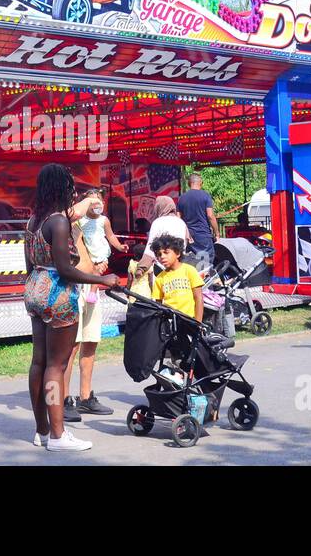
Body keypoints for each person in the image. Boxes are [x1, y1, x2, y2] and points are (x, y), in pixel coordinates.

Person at [23, 164, 119, 451]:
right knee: (56, 364)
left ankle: (41, 431)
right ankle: (58, 435)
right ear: (61, 188)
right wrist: (102, 279)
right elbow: (65, 270)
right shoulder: (59, 222)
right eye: (70, 186)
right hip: (58, 296)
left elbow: (29, 264)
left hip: (35, 290)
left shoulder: (32, 221)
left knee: (38, 361)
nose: (73, 191)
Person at [64, 193, 128, 417]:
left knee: (90, 342)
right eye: (91, 200)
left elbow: (108, 239)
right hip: (75, 288)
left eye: (98, 200)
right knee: (71, 346)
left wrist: (107, 260)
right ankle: (63, 399)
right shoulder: (70, 221)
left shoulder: (100, 223)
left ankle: (85, 396)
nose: (96, 204)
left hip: (92, 287)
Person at [150, 234, 204, 322]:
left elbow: (198, 298)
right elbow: (158, 304)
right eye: (159, 254)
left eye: (166, 252)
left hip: (190, 320)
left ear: (178, 253)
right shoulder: (160, 278)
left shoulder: (189, 270)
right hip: (171, 321)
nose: (162, 256)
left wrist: (198, 323)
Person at [177, 172, 219, 273]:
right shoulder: (205, 196)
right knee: (206, 261)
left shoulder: (181, 198)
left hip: (188, 236)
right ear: (200, 183)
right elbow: (210, 215)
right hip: (203, 234)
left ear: (189, 183)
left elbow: (178, 218)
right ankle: (205, 284)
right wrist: (217, 233)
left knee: (190, 260)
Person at [139, 195, 190, 269]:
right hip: (179, 265)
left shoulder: (158, 222)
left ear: (158, 207)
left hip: (161, 267)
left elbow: (150, 248)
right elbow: (184, 244)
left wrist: (142, 267)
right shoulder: (181, 222)